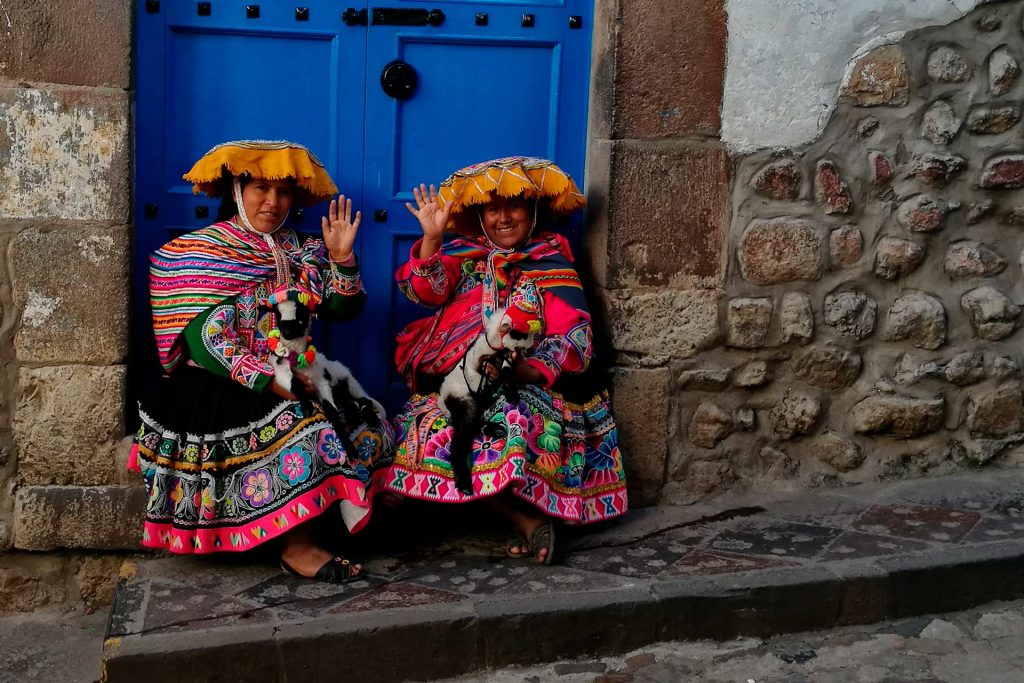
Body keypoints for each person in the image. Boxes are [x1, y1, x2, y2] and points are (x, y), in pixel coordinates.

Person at [129, 140, 392, 582]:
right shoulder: (202, 252)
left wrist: (342, 257)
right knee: (303, 430)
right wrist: (270, 380)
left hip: (292, 371)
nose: (273, 202)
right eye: (260, 189)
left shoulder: (299, 250)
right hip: (225, 382)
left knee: (370, 424)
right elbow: (203, 339)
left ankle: (338, 516)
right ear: (237, 190)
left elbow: (341, 309)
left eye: (284, 192)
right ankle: (297, 546)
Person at [385, 156, 628, 564]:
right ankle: (510, 515)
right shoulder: (465, 257)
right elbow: (423, 291)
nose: (503, 218)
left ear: (532, 211)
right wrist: (431, 240)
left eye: (513, 206)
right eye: (492, 208)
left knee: (503, 422)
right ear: (480, 216)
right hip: (460, 379)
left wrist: (526, 371)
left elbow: (575, 336)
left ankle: (527, 517)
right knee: (433, 426)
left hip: (525, 383)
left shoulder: (552, 263)